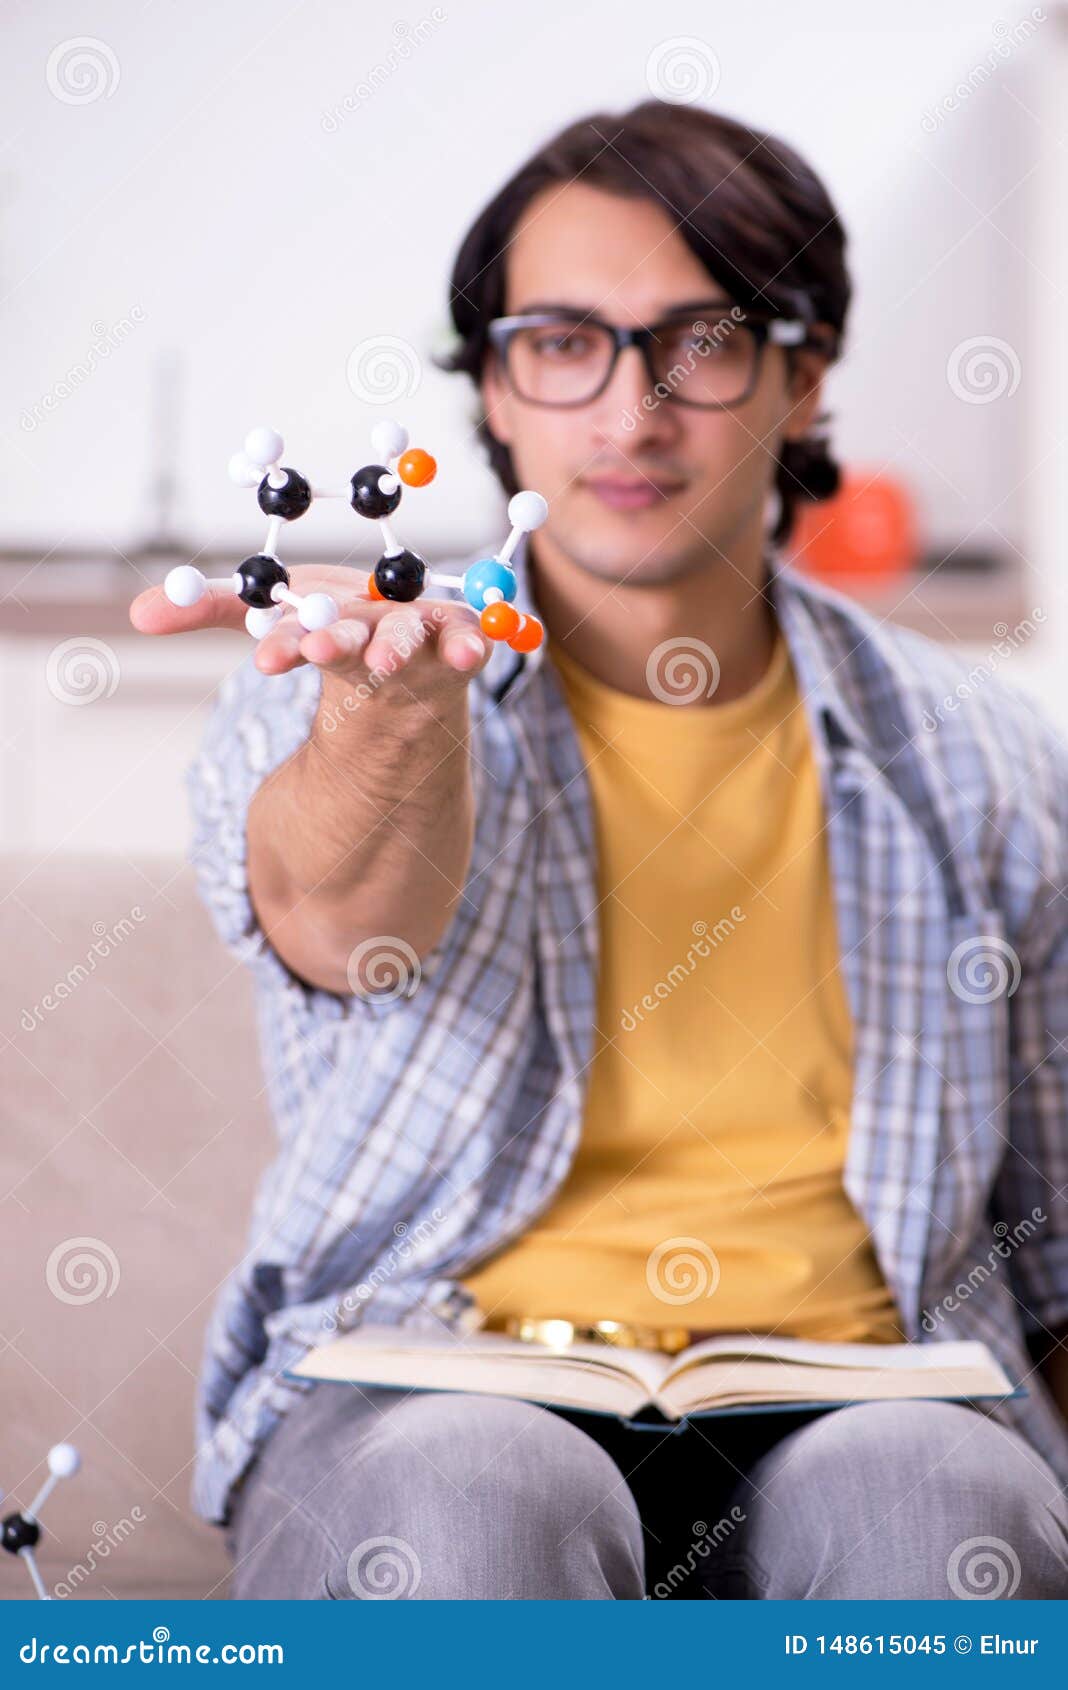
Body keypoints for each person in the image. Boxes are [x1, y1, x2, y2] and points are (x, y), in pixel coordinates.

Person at [131, 100, 1068, 1600]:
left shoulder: (987, 755)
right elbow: (335, 915)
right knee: (484, 1489)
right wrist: (390, 726)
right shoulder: (349, 682)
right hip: (423, 1396)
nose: (629, 418)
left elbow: (1051, 1240)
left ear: (804, 376)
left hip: (866, 1386)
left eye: (699, 342)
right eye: (562, 343)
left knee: (941, 1496)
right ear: (497, 390)